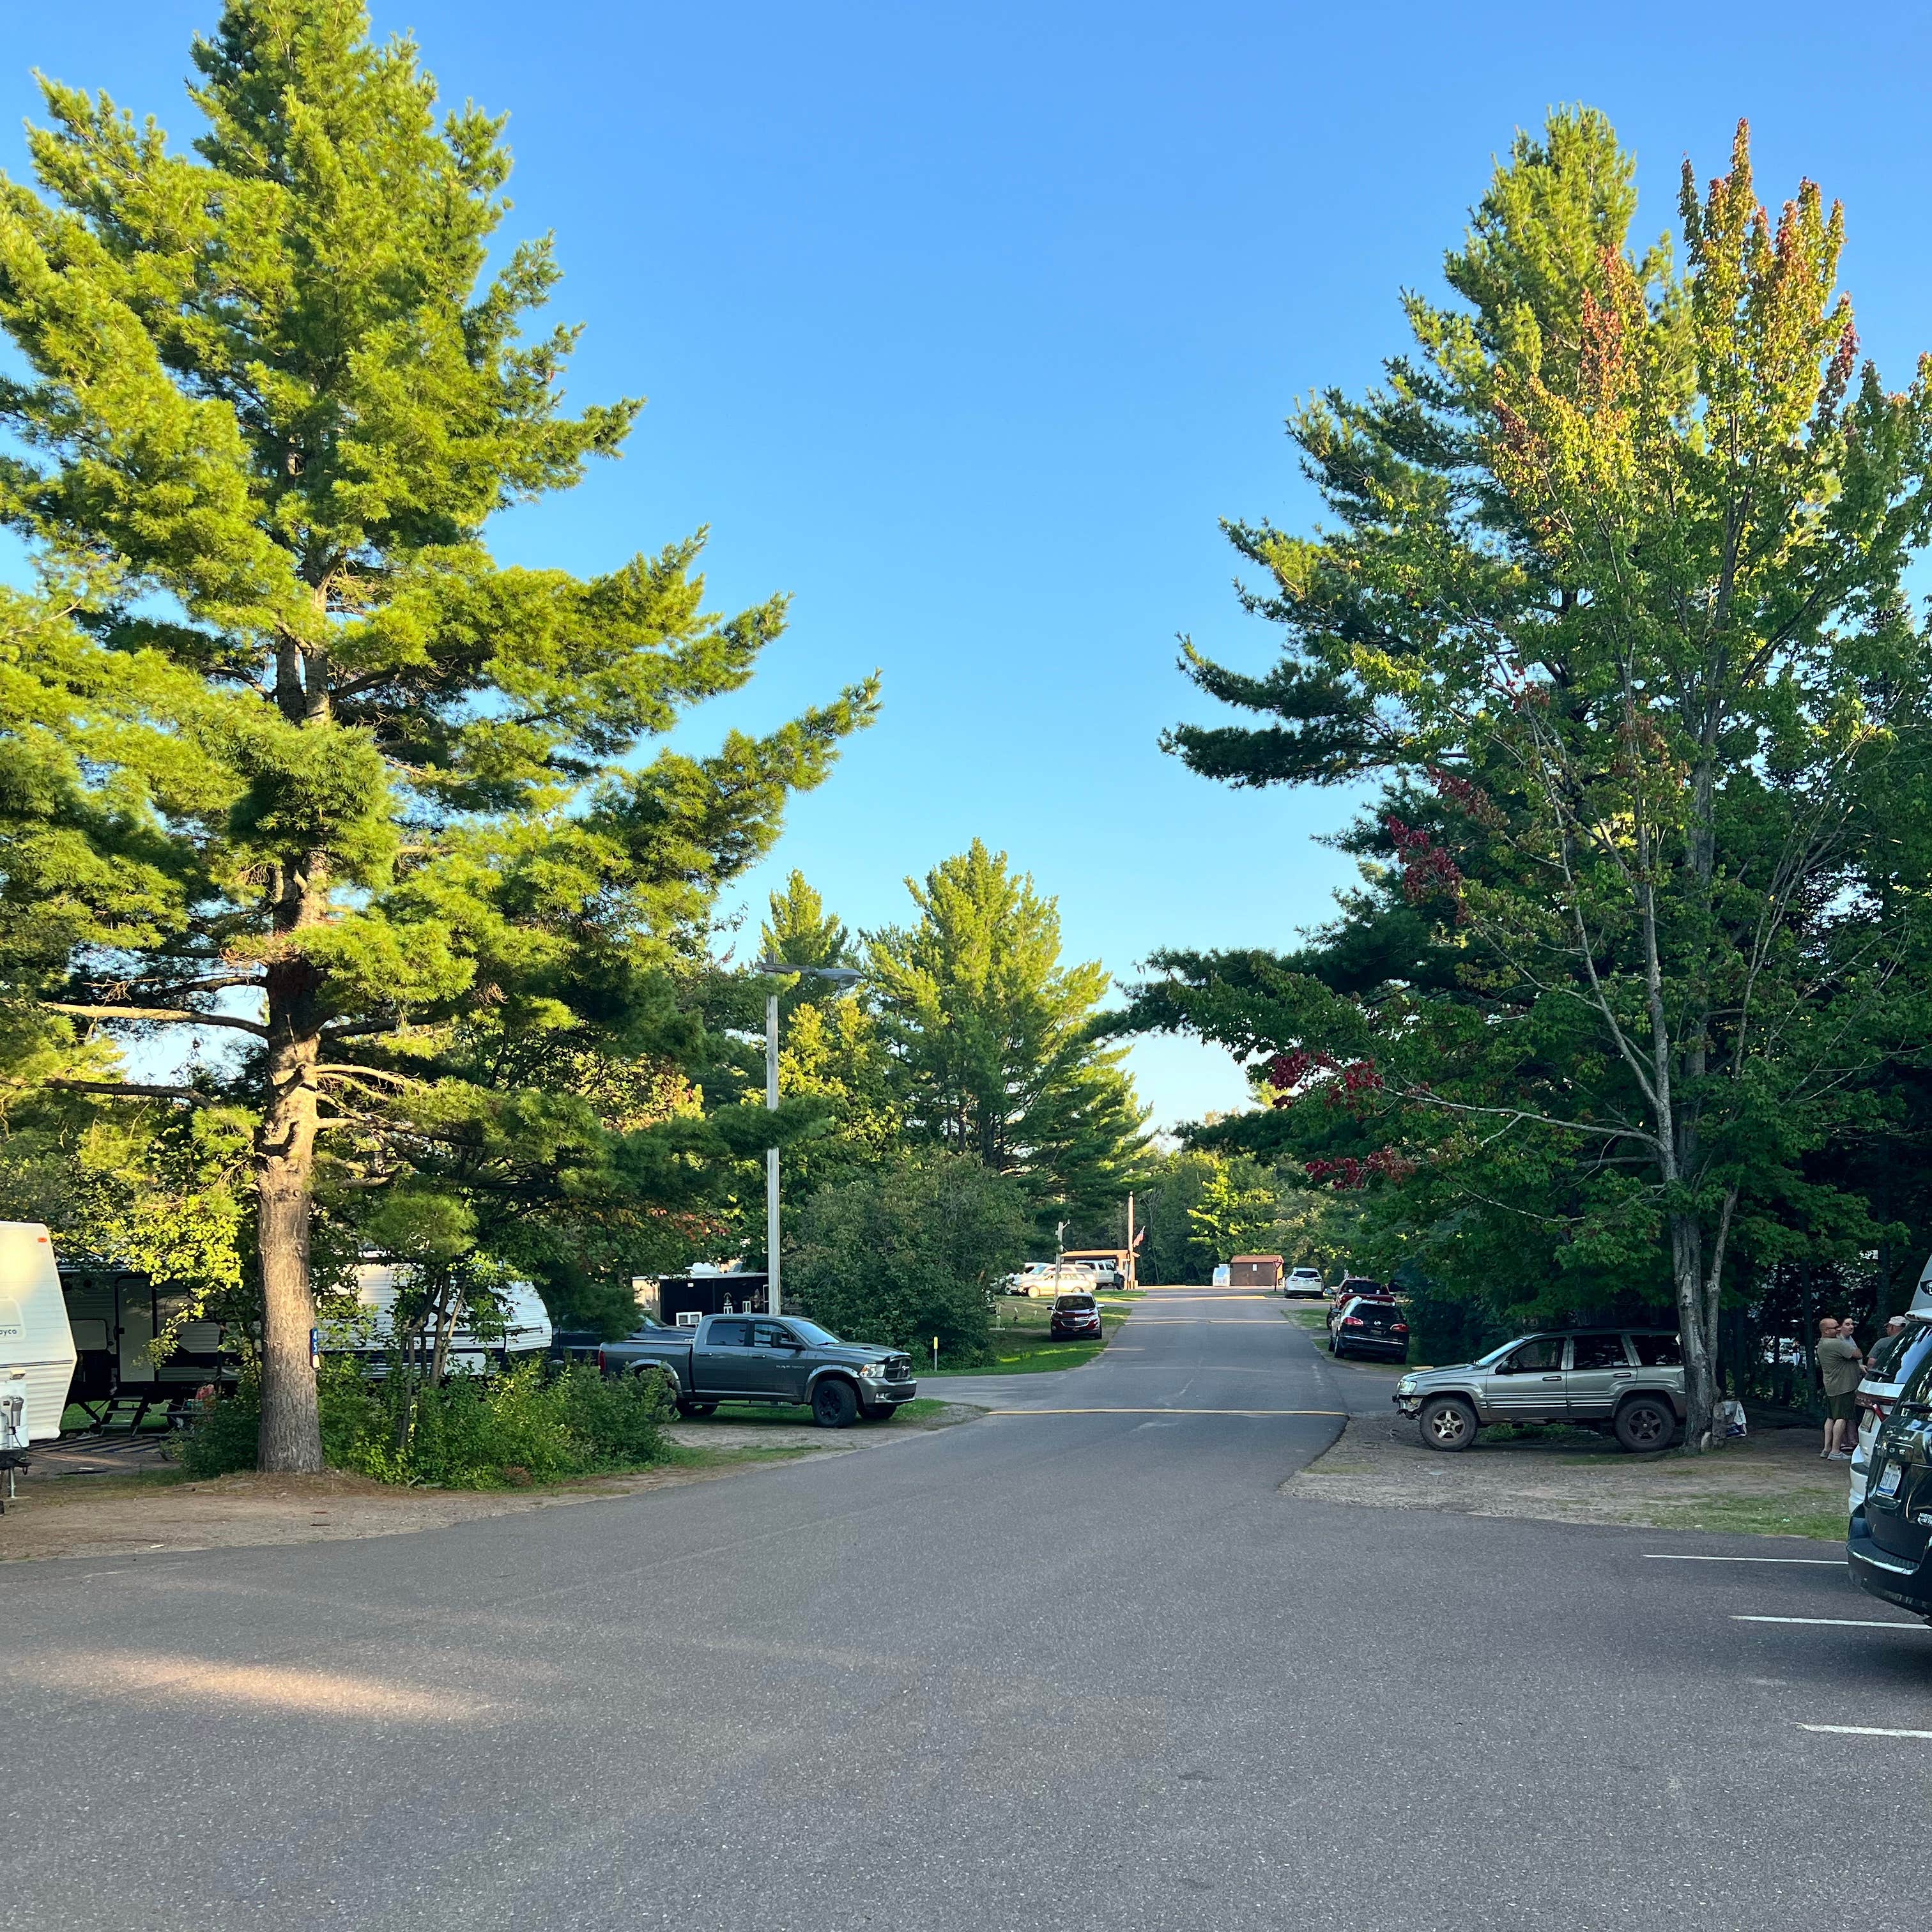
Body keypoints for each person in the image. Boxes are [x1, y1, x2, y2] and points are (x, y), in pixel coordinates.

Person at [1815, 1317, 1864, 1460]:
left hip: (1831, 1386)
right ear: (1825, 1330)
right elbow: (1858, 1354)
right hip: (1844, 1387)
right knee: (1842, 1417)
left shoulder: (1823, 1343)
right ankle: (1836, 1451)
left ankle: (1826, 1449)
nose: (1838, 1329)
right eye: (1835, 1327)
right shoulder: (1836, 1343)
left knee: (1831, 1417)